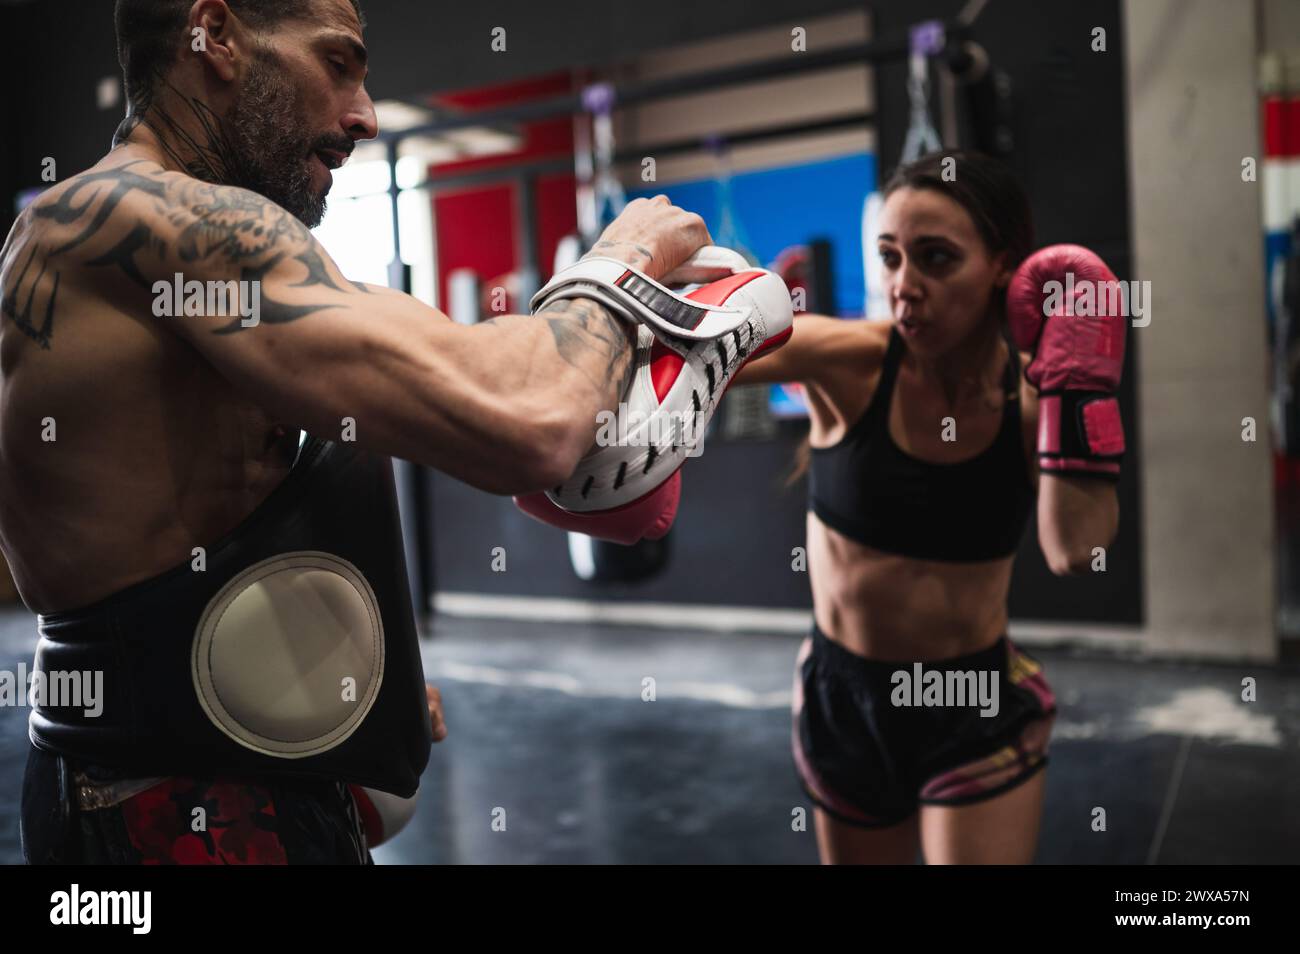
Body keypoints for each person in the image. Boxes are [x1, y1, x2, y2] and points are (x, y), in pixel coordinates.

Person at [1, 0, 724, 864]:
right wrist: (623, 263)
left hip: (167, 783)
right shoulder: (163, 223)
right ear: (216, 35)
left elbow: (460, 364)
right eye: (338, 63)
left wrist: (322, 673)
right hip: (176, 811)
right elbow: (533, 426)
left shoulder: (124, 231)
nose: (366, 115)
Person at [733, 151, 1125, 864]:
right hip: (843, 697)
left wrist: (1078, 391)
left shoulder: (1034, 401)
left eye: (936, 259)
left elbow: (1077, 548)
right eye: (890, 258)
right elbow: (689, 356)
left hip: (969, 699)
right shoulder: (848, 360)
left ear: (1003, 266)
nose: (904, 287)